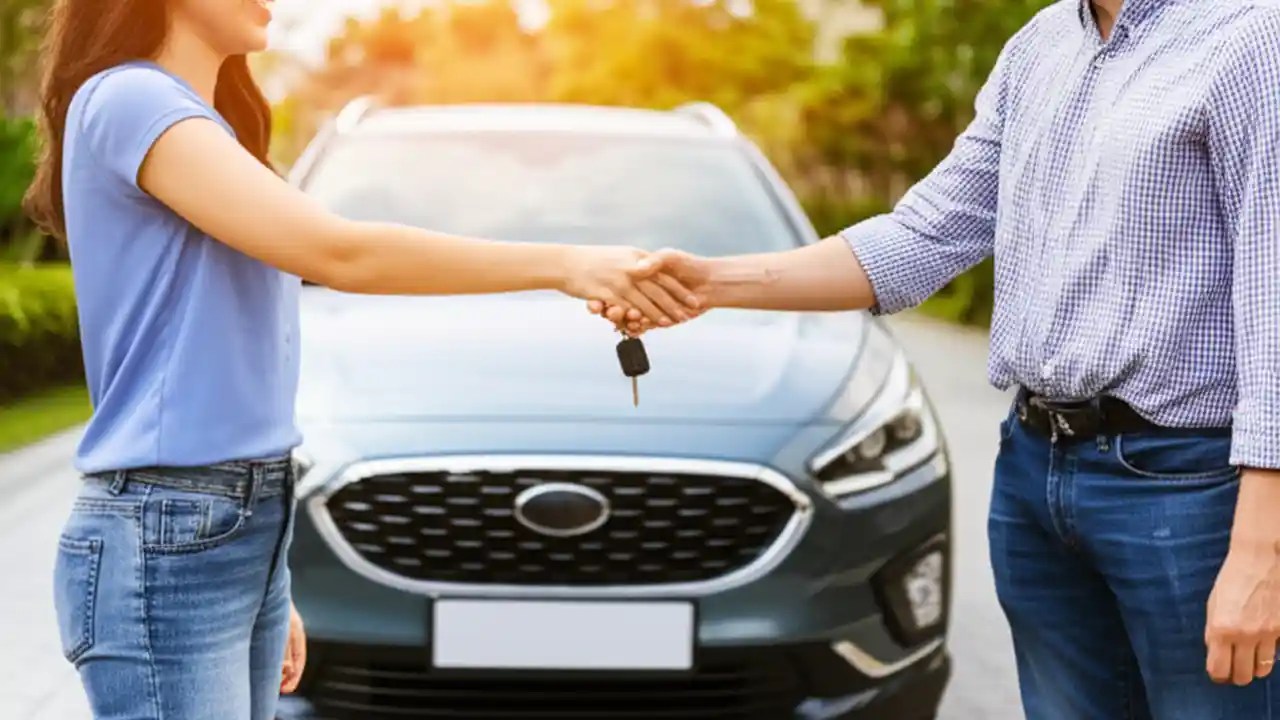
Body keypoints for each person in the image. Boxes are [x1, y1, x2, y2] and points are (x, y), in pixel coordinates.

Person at [598, 0, 1280, 717]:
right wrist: (710, 285)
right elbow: (925, 236)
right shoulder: (1039, 47)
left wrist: (1263, 549)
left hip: (1188, 489)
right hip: (1034, 476)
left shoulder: (1250, 39)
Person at [24, 1, 697, 718]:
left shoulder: (201, 123)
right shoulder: (131, 98)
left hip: (225, 527)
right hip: (170, 526)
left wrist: (262, 578)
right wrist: (566, 263)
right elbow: (339, 251)